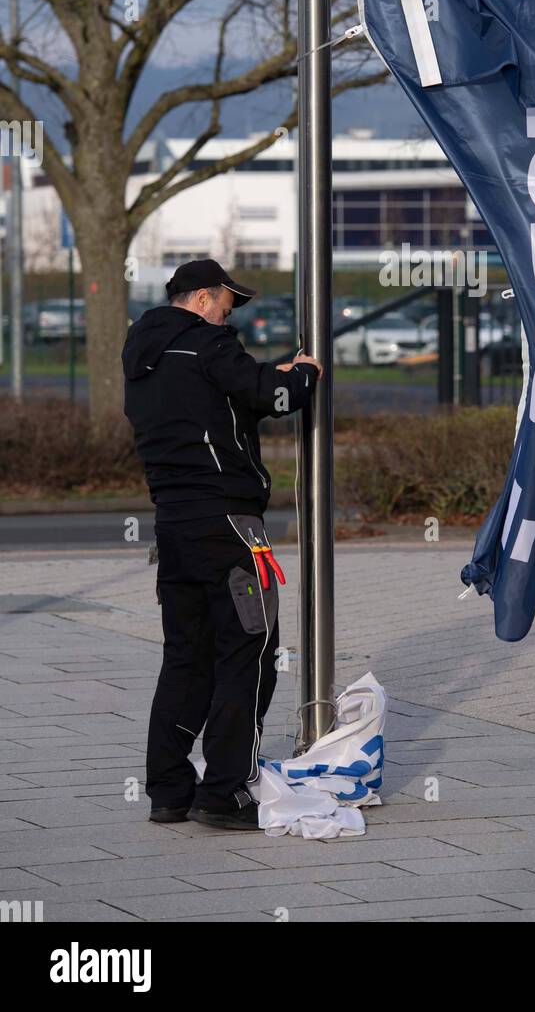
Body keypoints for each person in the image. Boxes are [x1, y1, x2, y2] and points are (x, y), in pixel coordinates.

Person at [122, 258, 323, 831]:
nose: (230, 314)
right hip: (230, 525)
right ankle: (225, 790)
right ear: (205, 298)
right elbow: (275, 396)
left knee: (185, 657)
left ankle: (167, 791)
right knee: (250, 650)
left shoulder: (144, 354)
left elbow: (218, 403)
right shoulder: (209, 345)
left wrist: (261, 381)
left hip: (174, 527)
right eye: (228, 303)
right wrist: (303, 373)